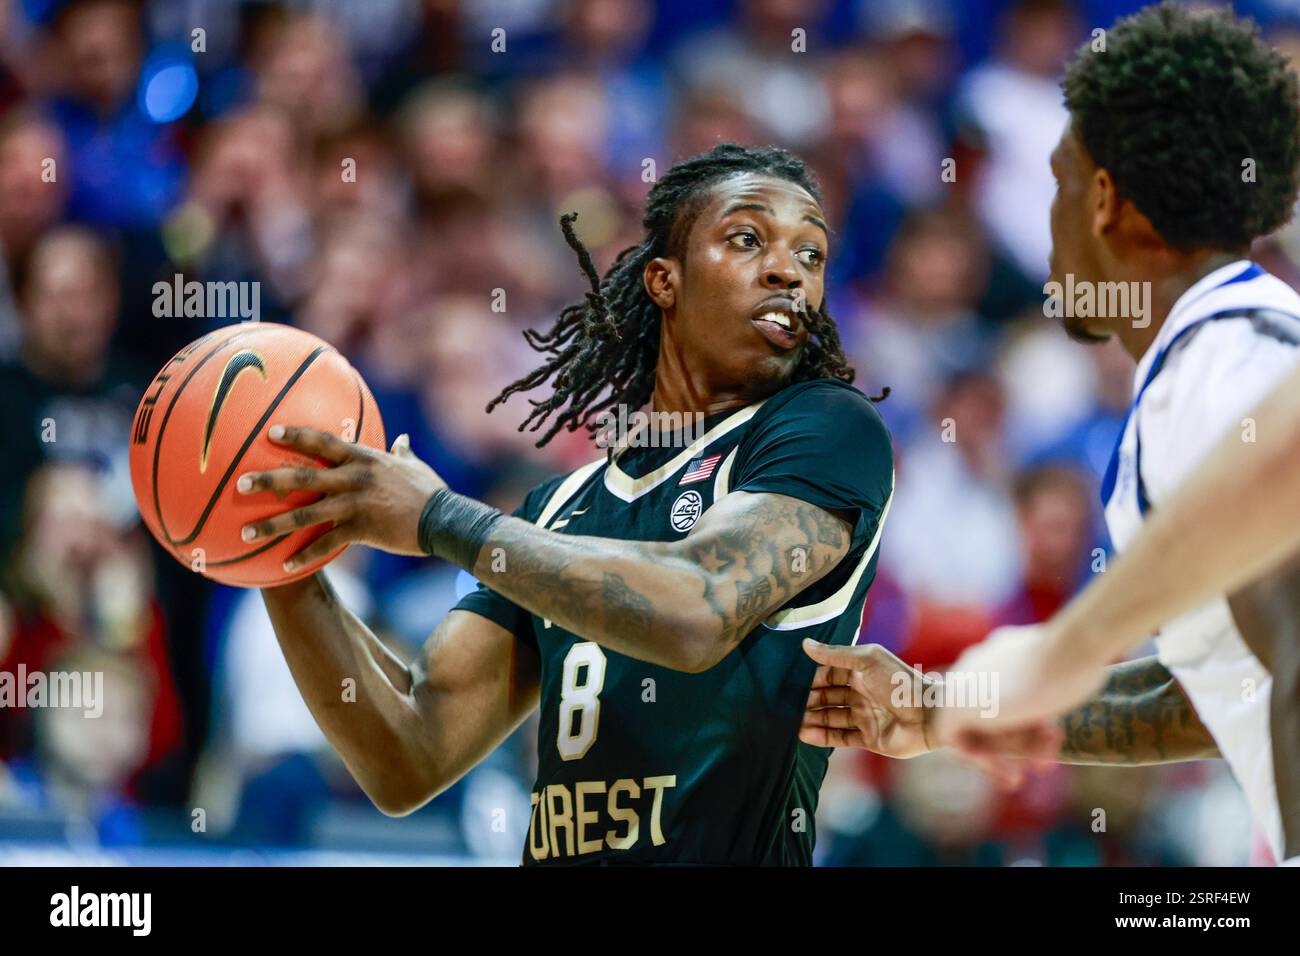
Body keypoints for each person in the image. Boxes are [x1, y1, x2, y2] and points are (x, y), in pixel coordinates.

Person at [239, 144, 896, 865]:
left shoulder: (826, 429)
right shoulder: (555, 511)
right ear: (663, 281)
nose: (787, 270)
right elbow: (408, 756)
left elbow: (698, 606)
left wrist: (438, 519)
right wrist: (280, 545)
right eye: (747, 239)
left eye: (812, 255)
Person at [801, 2, 1300, 865]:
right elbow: (1222, 691)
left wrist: (1065, 645)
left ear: (1103, 199)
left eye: (1059, 181)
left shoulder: (1230, 344)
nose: (1046, 222)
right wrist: (940, 706)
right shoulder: (1215, 349)